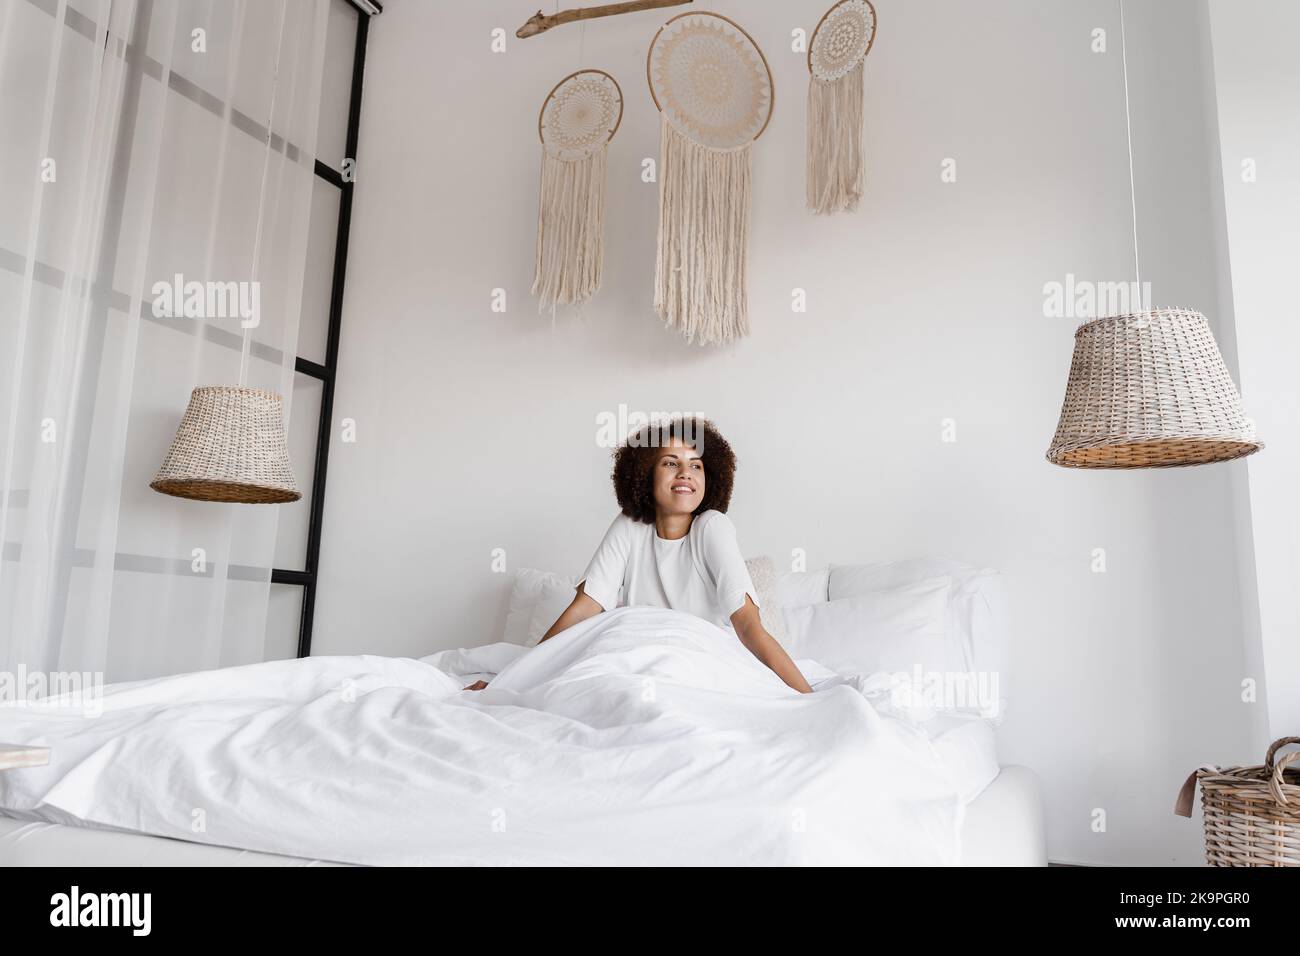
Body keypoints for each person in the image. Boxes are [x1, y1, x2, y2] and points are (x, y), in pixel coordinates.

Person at [466, 417, 812, 694]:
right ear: (646, 475)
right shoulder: (630, 525)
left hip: (696, 661)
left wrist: (807, 695)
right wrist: (509, 681)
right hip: (632, 658)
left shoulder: (712, 527)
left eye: (696, 466)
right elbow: (585, 607)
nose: (685, 475)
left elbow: (748, 624)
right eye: (670, 463)